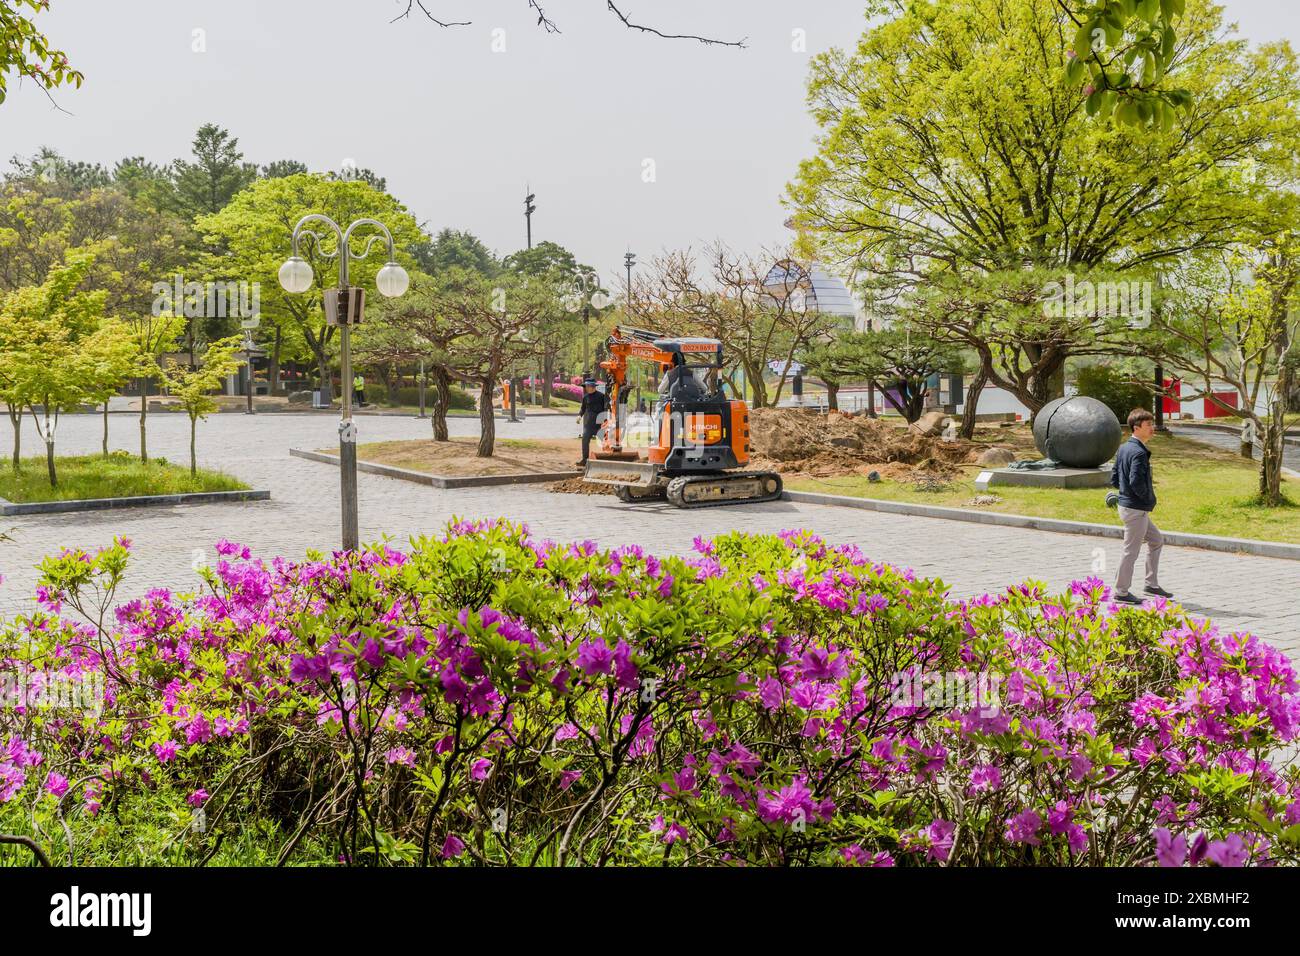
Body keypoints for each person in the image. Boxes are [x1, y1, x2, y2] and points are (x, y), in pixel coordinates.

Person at [1111, 408, 1172, 604]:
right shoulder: (1137, 452)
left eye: (1152, 424)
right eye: (1148, 425)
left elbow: (1114, 477)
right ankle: (1121, 592)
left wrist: (1128, 494)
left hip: (1131, 507)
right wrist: (1146, 498)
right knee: (1131, 551)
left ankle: (1151, 584)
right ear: (1136, 428)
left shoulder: (1124, 448)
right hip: (1135, 509)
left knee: (1156, 540)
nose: (1152, 428)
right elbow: (1135, 480)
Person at [575, 379, 609, 467]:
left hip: (600, 424)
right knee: (585, 439)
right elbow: (583, 408)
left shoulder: (602, 396)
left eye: (588, 386)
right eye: (586, 387)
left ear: (593, 387)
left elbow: (606, 409)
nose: (587, 388)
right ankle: (585, 459)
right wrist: (579, 415)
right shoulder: (585, 397)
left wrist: (605, 421)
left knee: (606, 441)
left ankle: (609, 459)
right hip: (589, 424)